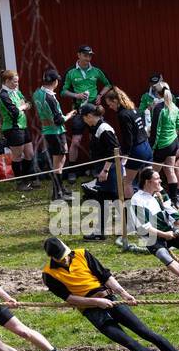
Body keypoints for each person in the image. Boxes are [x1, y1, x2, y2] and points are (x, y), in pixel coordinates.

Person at [42, 237, 179, 351]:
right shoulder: (49, 274)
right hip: (91, 310)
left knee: (145, 332)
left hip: (109, 298)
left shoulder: (83, 254)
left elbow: (105, 276)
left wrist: (124, 294)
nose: (66, 260)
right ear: (52, 257)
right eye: (61, 259)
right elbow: (69, 298)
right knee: (128, 342)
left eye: (66, 255)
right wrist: (96, 303)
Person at [128, 167, 179, 289]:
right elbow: (145, 227)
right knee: (163, 255)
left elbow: (173, 213)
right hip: (150, 236)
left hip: (168, 229)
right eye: (157, 179)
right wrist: (165, 235)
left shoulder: (160, 193)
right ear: (147, 182)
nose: (160, 181)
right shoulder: (137, 199)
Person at [61, 46, 111, 181]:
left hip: (94, 110)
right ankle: (72, 170)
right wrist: (76, 95)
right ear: (78, 55)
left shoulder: (96, 71)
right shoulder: (71, 72)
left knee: (96, 140)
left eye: (90, 56)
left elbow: (108, 84)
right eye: (85, 55)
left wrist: (101, 94)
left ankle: (96, 168)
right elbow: (63, 91)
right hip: (79, 111)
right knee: (76, 141)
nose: (88, 58)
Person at [100, 85, 152, 197]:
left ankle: (130, 211)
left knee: (127, 182)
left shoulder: (122, 115)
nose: (110, 107)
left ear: (116, 101)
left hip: (137, 150)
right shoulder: (134, 109)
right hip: (147, 147)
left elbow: (128, 138)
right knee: (149, 181)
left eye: (110, 104)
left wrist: (125, 155)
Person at [79, 102, 122, 235]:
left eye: (84, 117)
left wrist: (105, 171)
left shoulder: (104, 129)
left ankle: (100, 232)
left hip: (110, 169)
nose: (83, 120)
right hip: (104, 169)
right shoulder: (95, 127)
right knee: (110, 199)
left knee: (107, 199)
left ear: (90, 115)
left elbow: (114, 151)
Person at [33, 69, 73, 200]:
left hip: (47, 130)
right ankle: (57, 193)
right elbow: (59, 120)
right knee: (59, 162)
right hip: (56, 131)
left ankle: (60, 189)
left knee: (59, 160)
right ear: (55, 82)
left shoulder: (37, 93)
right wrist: (69, 115)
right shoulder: (50, 98)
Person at [0, 69, 37, 191]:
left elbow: (29, 103)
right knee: (17, 155)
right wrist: (23, 106)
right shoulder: (3, 94)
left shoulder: (16, 92)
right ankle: (20, 182)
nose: (17, 84)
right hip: (12, 128)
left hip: (23, 126)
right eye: (14, 82)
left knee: (29, 153)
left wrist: (23, 106)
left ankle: (28, 178)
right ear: (7, 81)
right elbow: (14, 112)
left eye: (17, 82)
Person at [146, 81, 179, 207]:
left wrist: (153, 146)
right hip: (173, 143)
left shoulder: (159, 108)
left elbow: (156, 130)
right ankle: (174, 200)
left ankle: (152, 199)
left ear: (157, 93)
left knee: (153, 174)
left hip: (162, 145)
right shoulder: (174, 106)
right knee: (170, 171)